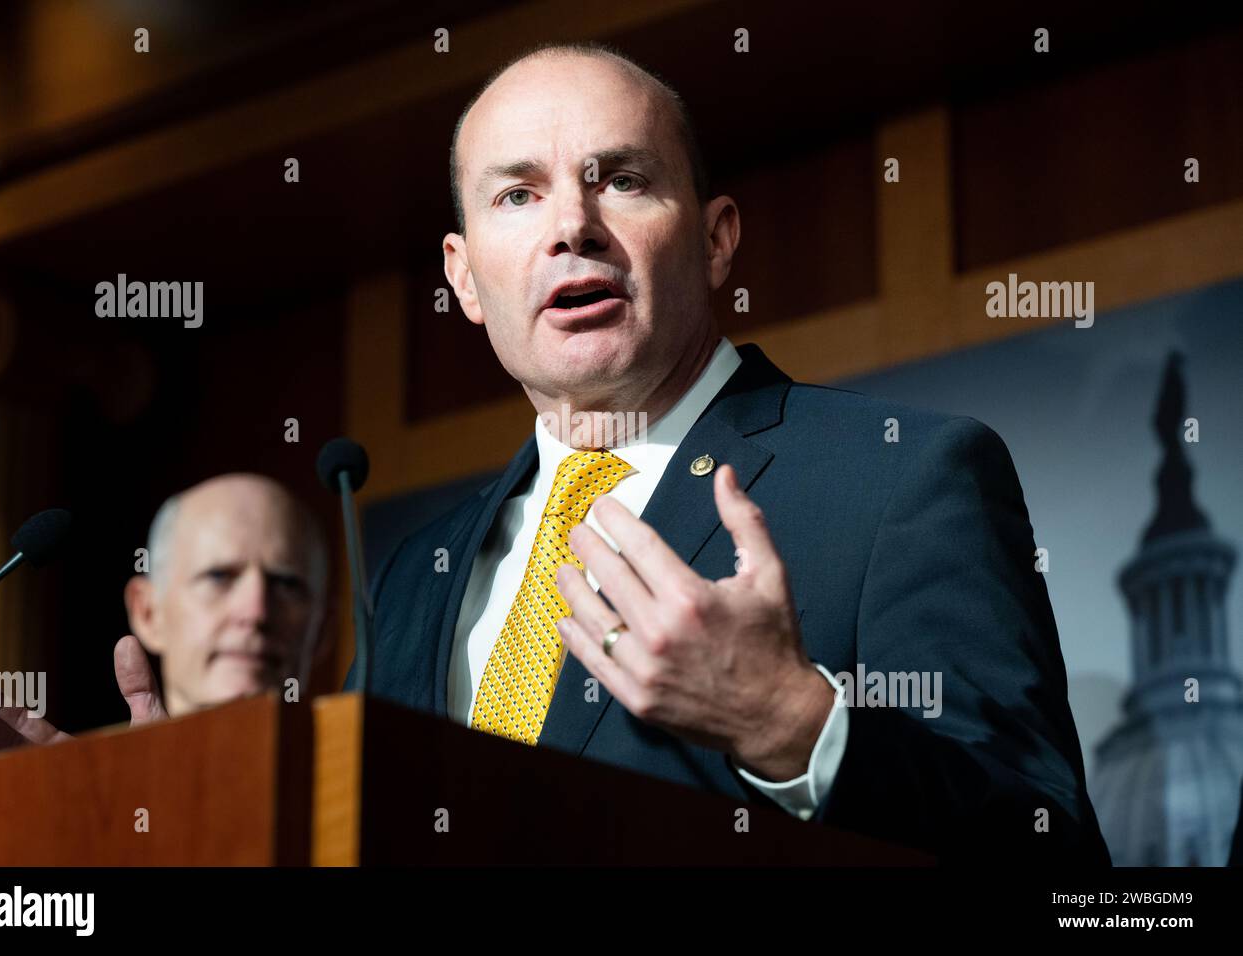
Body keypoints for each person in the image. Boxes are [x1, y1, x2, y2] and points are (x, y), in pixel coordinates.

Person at [344, 40, 1111, 862]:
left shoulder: (904, 480)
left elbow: (1052, 857)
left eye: (623, 181)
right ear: (462, 278)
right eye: (518, 194)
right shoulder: (410, 580)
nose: (572, 227)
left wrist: (790, 726)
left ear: (716, 241)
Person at [0, 473, 329, 755]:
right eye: (219, 577)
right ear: (148, 612)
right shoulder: (108, 802)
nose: (256, 611)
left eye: (286, 583)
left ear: (322, 628)